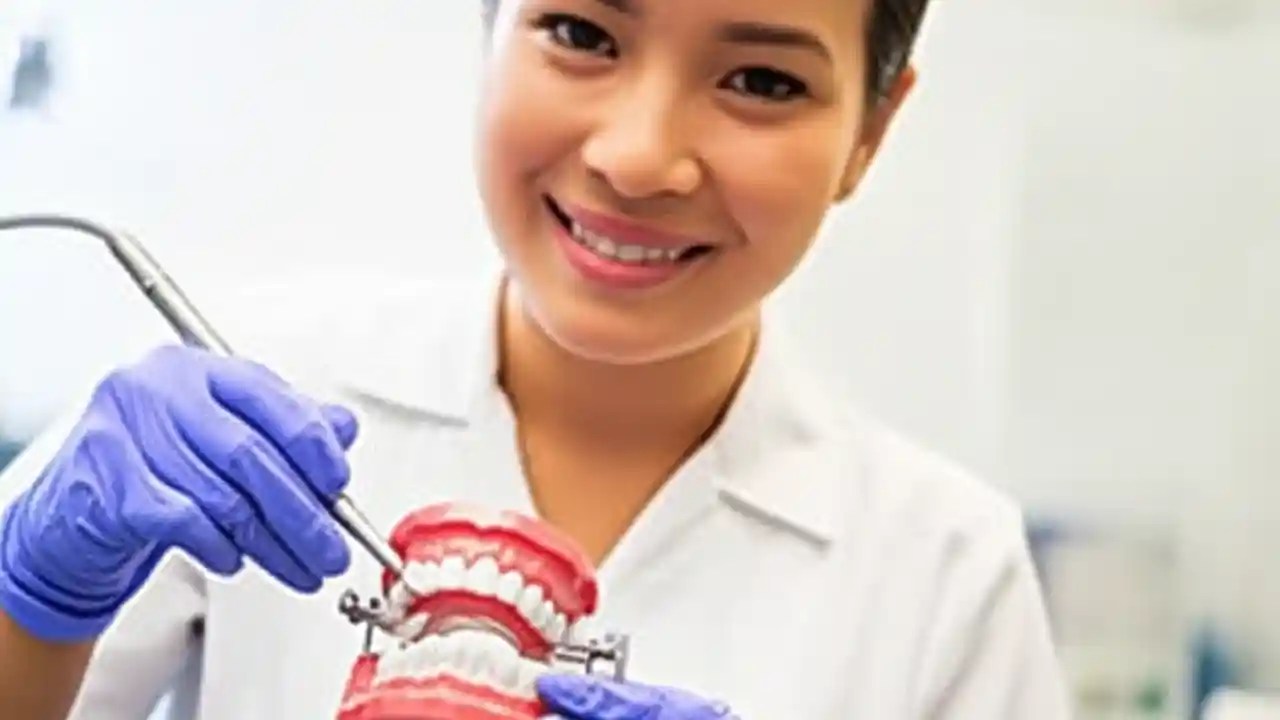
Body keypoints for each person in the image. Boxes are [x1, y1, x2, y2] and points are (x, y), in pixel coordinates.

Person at [0, 0, 1075, 718]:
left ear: (870, 135)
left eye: (761, 81)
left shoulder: (943, 570)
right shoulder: (251, 389)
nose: (637, 156)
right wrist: (30, 602)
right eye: (579, 30)